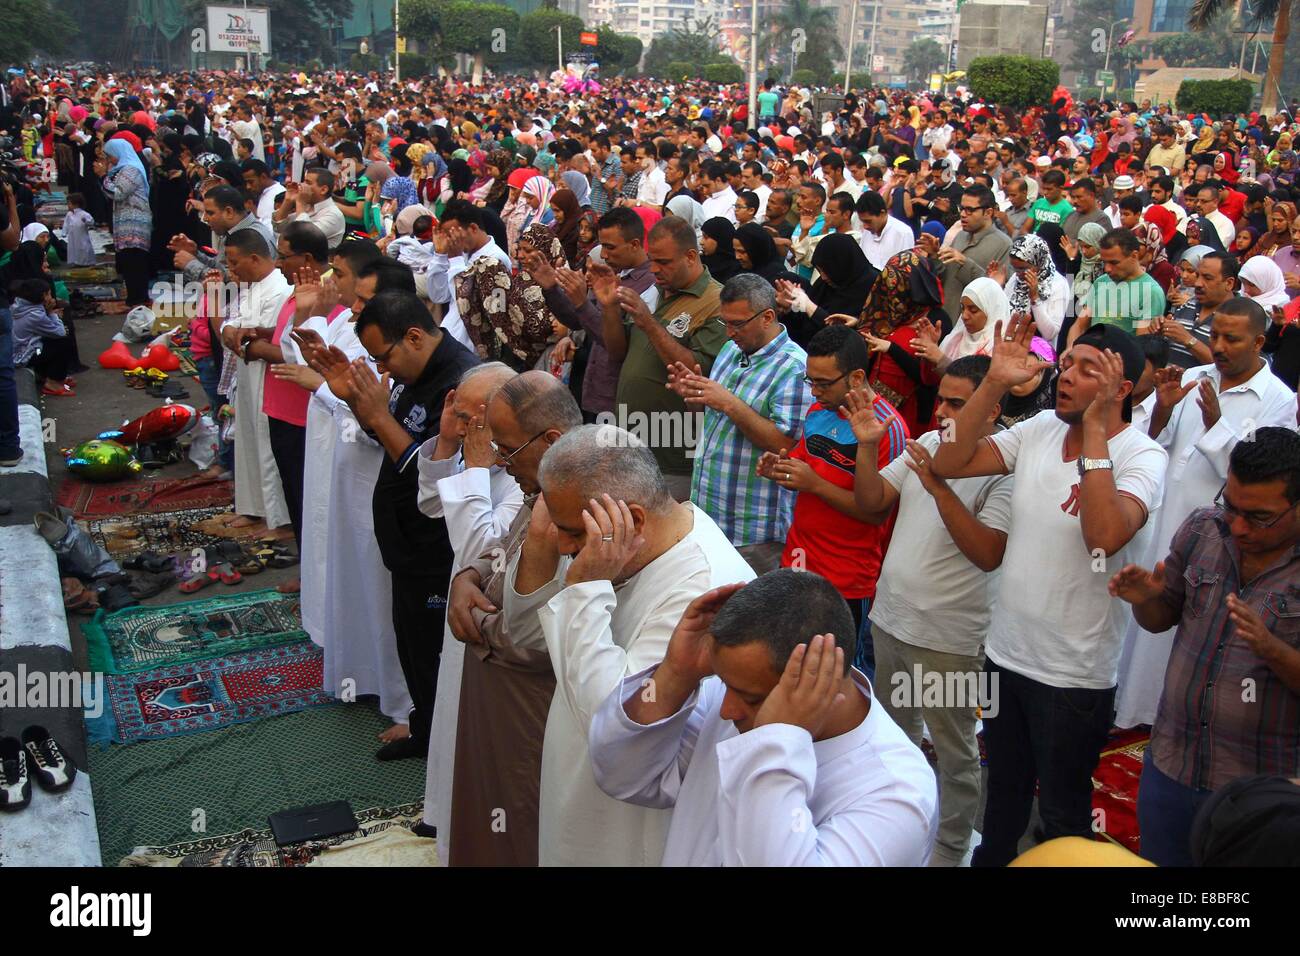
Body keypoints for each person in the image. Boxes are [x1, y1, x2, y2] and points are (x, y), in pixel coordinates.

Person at [931, 320, 1168, 867]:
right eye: (1067, 363)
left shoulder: (1142, 457)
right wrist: (992, 383)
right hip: (1005, 655)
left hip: (1072, 676)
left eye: (1089, 370)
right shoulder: (1038, 428)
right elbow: (950, 462)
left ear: (1122, 389)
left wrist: (1095, 433)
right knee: (1003, 802)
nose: (1067, 376)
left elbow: (1103, 536)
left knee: (1062, 818)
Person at [502, 423, 756, 866]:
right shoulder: (611, 548)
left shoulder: (700, 591)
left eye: (572, 533)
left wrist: (583, 591)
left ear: (633, 519)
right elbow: (526, 638)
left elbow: (617, 728)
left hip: (632, 835)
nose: (564, 546)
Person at [588, 568, 937, 866]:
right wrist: (675, 676)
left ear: (826, 681)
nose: (727, 710)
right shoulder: (735, 695)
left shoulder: (896, 796)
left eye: (752, 698)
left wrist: (777, 742)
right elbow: (622, 775)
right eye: (725, 685)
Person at [1110, 428, 1300, 866]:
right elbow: (1160, 619)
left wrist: (1270, 647)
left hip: (1261, 800)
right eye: (1230, 506)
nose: (1238, 526)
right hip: (1171, 767)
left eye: (1258, 517)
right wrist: (1146, 600)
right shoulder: (1203, 529)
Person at [855, 355, 1014, 866]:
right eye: (941, 398)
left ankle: (949, 851)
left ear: (989, 412)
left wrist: (940, 489)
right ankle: (902, 834)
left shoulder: (1005, 468)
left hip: (948, 638)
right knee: (895, 739)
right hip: (891, 620)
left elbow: (988, 553)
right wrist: (864, 445)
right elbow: (872, 499)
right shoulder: (925, 444)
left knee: (953, 752)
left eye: (958, 403)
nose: (943, 411)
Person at [1117, 298, 1298, 730]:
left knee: (1178, 628)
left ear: (1258, 341)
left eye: (1231, 338)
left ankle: (1160, 719)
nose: (1217, 346)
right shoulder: (1194, 378)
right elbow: (1152, 447)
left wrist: (1216, 422)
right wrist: (1162, 408)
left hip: (1215, 534)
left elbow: (1261, 476)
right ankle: (1126, 709)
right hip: (1162, 520)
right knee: (1138, 620)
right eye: (1214, 335)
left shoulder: (1279, 400)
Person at [328, 288, 480, 760]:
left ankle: (445, 746)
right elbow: (390, 436)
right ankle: (424, 727)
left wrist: (375, 412)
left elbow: (439, 475)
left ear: (413, 337)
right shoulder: (416, 373)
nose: (382, 370)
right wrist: (359, 403)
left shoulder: (463, 383)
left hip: (437, 546)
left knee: (436, 649)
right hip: (406, 543)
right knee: (413, 643)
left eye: (383, 357)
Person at [272, 239, 413, 739]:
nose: (351, 306)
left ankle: (397, 693)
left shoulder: (386, 349)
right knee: (350, 571)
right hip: (343, 469)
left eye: (359, 299)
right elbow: (312, 362)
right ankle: (357, 665)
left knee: (378, 584)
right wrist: (309, 319)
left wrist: (326, 388)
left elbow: (370, 415)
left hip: (376, 478)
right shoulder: (349, 326)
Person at [442, 371, 583, 865]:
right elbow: (506, 546)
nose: (499, 460)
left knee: (520, 822)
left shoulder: (583, 511)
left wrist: (476, 625)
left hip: (530, 708)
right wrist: (468, 578)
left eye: (507, 448)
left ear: (551, 441)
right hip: (493, 690)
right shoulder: (545, 487)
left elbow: (541, 639)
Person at [413, 361, 523, 861]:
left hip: (496, 618)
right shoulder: (477, 451)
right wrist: (443, 443)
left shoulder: (523, 470)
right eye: (456, 416)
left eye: (467, 419)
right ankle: (444, 815)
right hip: (461, 610)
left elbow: (488, 551)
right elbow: (432, 504)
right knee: (451, 715)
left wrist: (476, 468)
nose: (461, 429)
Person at [758, 325, 908, 674]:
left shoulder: (887, 428)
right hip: (796, 560)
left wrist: (814, 484)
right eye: (810, 381)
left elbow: (877, 514)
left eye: (823, 383)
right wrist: (781, 469)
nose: (814, 392)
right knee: (789, 665)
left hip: (847, 579)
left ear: (857, 377)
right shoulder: (817, 411)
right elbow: (804, 464)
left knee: (839, 677)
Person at [666, 274, 812, 573]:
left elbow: (788, 446)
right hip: (709, 512)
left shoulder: (795, 367)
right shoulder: (731, 350)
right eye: (726, 323)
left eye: (738, 324)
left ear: (767, 317)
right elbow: (714, 421)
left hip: (753, 529)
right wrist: (694, 398)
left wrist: (728, 402)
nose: (730, 332)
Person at [603, 216, 728, 500]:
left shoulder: (715, 302)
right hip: (630, 442)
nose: (654, 269)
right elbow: (618, 353)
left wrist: (649, 323)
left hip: (672, 455)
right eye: (651, 260)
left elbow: (697, 371)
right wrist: (610, 308)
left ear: (691, 256)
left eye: (664, 262)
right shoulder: (655, 292)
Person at [530, 207, 658, 420]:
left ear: (635, 244)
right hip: (592, 389)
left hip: (617, 399)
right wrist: (551, 289)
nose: (604, 255)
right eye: (602, 247)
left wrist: (582, 302)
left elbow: (614, 341)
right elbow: (579, 321)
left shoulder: (648, 285)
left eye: (610, 247)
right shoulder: (613, 273)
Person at [219, 229, 294, 535]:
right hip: (248, 377)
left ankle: (278, 518)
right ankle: (254, 508)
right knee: (249, 440)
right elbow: (232, 323)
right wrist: (230, 333)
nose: (231, 270)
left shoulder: (278, 290)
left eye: (235, 263)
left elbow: (267, 338)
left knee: (267, 446)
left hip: (268, 378)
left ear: (254, 258)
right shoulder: (253, 286)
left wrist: (243, 340)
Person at [929, 185, 1011, 324]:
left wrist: (965, 263)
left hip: (971, 325)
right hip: (945, 317)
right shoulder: (960, 235)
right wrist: (934, 256)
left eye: (970, 210)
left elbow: (997, 292)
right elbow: (943, 277)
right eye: (962, 208)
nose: (963, 214)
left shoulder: (1004, 244)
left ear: (988, 212)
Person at [1071, 228, 1166, 342]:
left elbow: (1141, 345)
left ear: (1134, 256)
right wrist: (1070, 349)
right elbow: (1079, 325)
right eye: (1104, 262)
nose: (1107, 269)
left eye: (1114, 263)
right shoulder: (1100, 282)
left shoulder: (1151, 292)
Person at [97, 137, 152, 306]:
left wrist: (103, 177)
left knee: (134, 262)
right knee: (130, 261)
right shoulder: (123, 169)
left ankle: (138, 298)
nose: (109, 159)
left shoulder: (131, 170)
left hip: (134, 223)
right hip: (128, 222)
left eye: (110, 155)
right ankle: (135, 297)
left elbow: (119, 192)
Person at [1160, 250, 1234, 369]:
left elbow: (1228, 367)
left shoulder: (1237, 318)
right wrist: (1159, 332)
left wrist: (1188, 340)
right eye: (1198, 275)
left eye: (1207, 278)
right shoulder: (1188, 305)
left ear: (1229, 283)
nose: (1198, 283)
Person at [273, 167, 346, 249]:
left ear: (323, 190)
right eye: (303, 181)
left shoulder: (334, 215)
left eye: (308, 183)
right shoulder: (308, 207)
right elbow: (278, 227)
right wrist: (288, 200)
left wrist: (300, 203)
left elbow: (302, 237)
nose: (301, 185)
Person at [857, 189, 913, 272]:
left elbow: (905, 270)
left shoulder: (903, 232)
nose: (865, 226)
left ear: (882, 213)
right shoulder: (867, 232)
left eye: (868, 221)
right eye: (862, 221)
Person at [62, 192, 95, 267]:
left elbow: (91, 222)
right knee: (73, 248)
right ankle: (75, 261)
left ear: (75, 204)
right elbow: (66, 224)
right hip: (72, 235)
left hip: (81, 235)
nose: (68, 206)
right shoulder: (69, 214)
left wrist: (86, 221)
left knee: (83, 248)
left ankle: (86, 262)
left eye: (69, 204)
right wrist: (64, 232)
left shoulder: (84, 214)